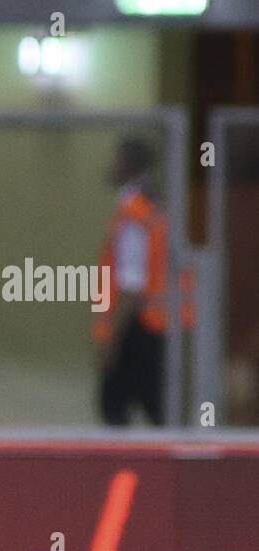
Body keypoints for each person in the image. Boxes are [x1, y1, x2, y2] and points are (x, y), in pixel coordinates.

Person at [95, 138, 192, 426]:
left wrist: (111, 336)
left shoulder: (133, 212)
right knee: (153, 404)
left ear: (127, 165)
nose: (110, 167)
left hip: (139, 322)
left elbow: (131, 282)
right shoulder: (151, 208)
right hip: (156, 321)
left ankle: (129, 467)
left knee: (115, 403)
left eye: (115, 160)